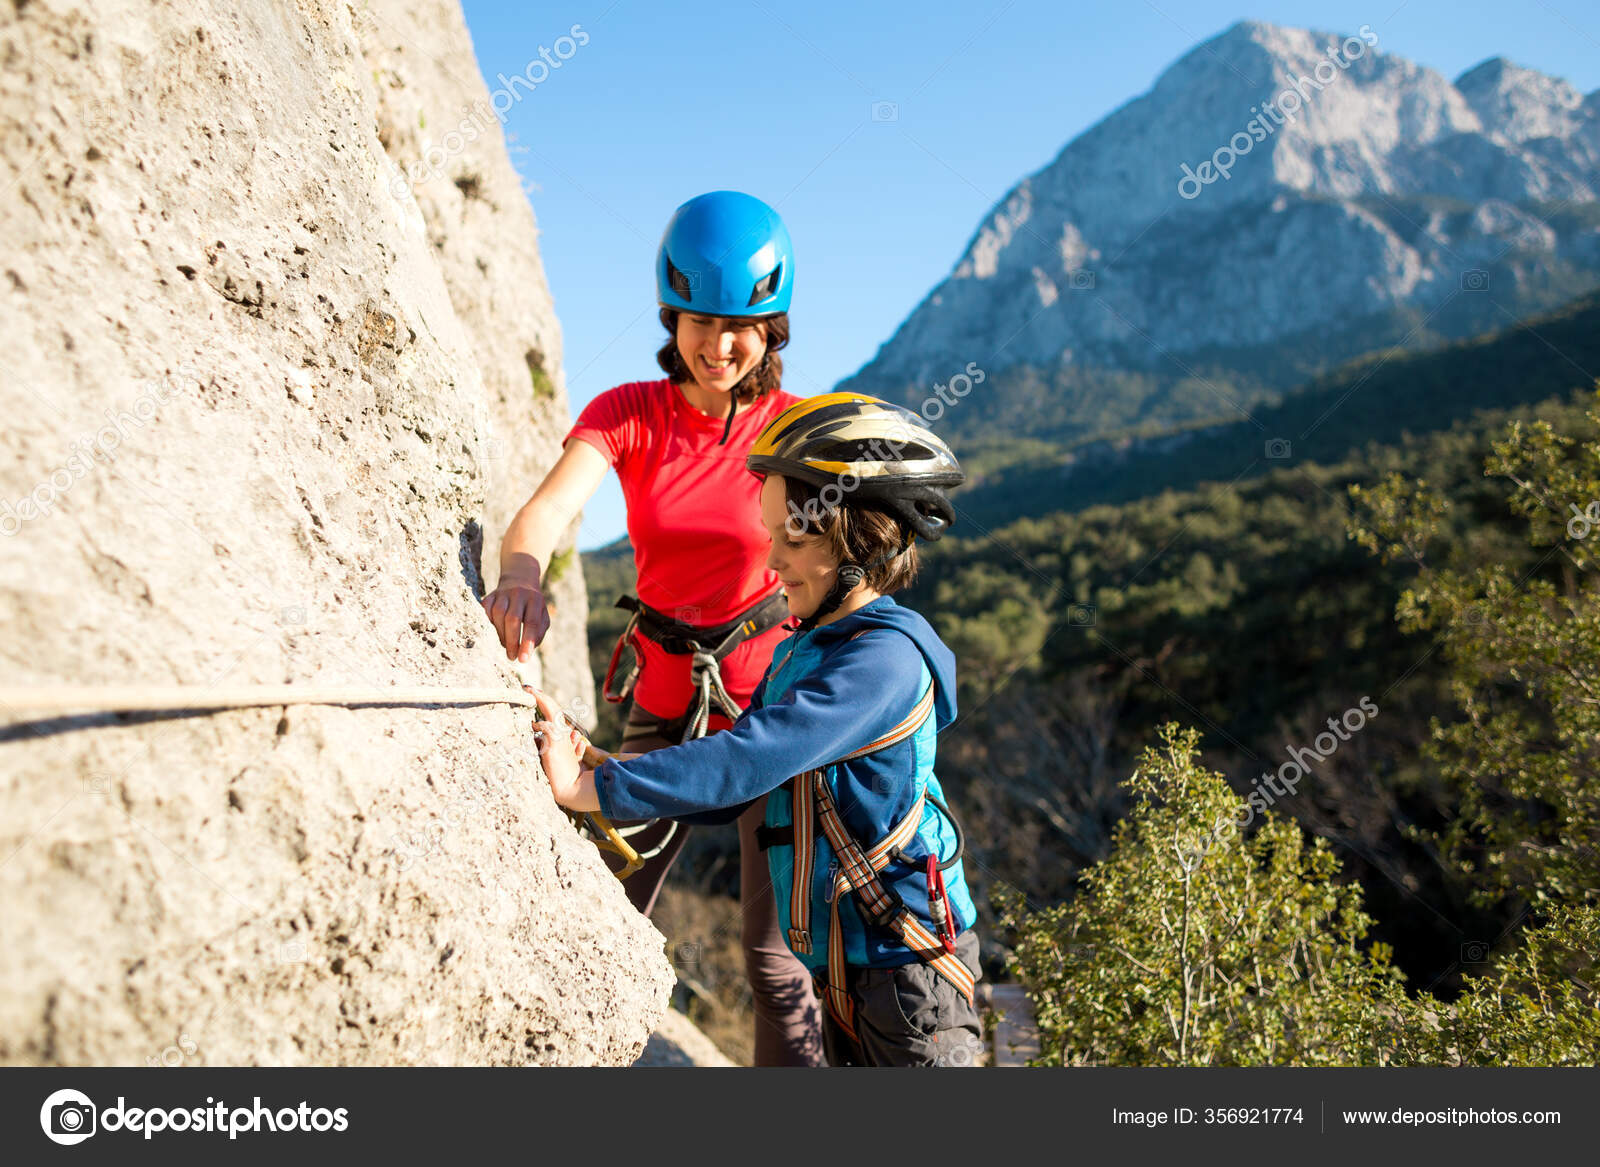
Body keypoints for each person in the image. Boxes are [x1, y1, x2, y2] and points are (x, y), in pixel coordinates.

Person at [532, 394, 985, 1067]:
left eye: (794, 541)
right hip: (857, 970)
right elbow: (736, 790)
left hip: (911, 977)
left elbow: (746, 760)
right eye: (772, 535)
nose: (772, 561)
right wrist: (602, 768)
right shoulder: (809, 646)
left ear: (859, 542)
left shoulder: (879, 663)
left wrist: (585, 789)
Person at [480, 191, 821, 1065]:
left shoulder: (796, 430)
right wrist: (523, 573)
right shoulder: (630, 412)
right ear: (674, 315)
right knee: (600, 900)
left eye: (742, 325)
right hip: (666, 692)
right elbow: (546, 513)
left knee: (777, 956)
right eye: (702, 321)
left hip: (770, 707)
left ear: (772, 328)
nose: (719, 344)